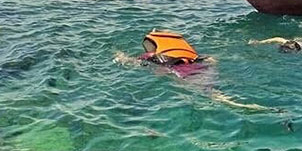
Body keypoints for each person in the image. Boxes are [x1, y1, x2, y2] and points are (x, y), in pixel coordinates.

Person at [113, 30, 269, 111]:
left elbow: (132, 62)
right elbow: (212, 59)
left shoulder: (152, 56)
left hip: (185, 75)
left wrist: (119, 56)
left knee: (213, 95)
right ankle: (246, 105)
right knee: (213, 90)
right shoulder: (188, 54)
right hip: (203, 69)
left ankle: (246, 107)